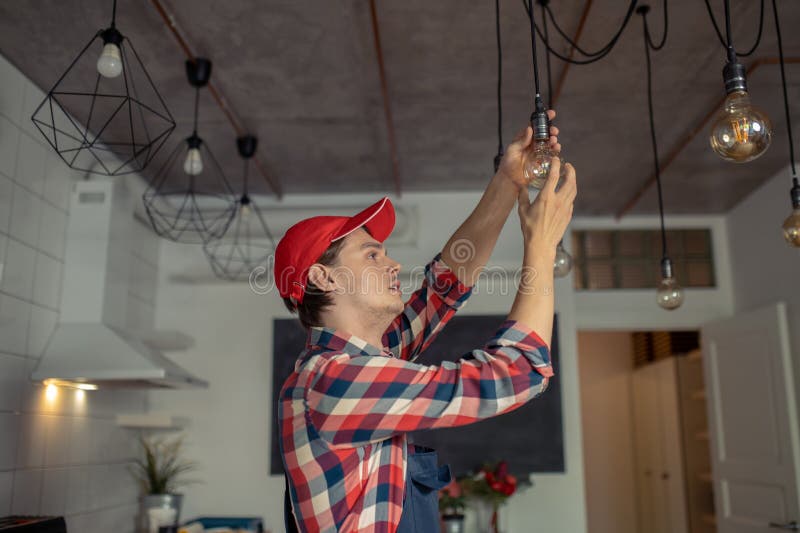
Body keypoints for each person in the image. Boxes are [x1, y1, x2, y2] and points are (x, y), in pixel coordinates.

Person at [274, 112, 576, 533]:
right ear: (323, 277)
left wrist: (508, 182)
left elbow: (444, 287)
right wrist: (541, 247)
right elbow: (518, 372)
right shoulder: (337, 380)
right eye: (372, 255)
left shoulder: (351, 365)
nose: (393, 262)